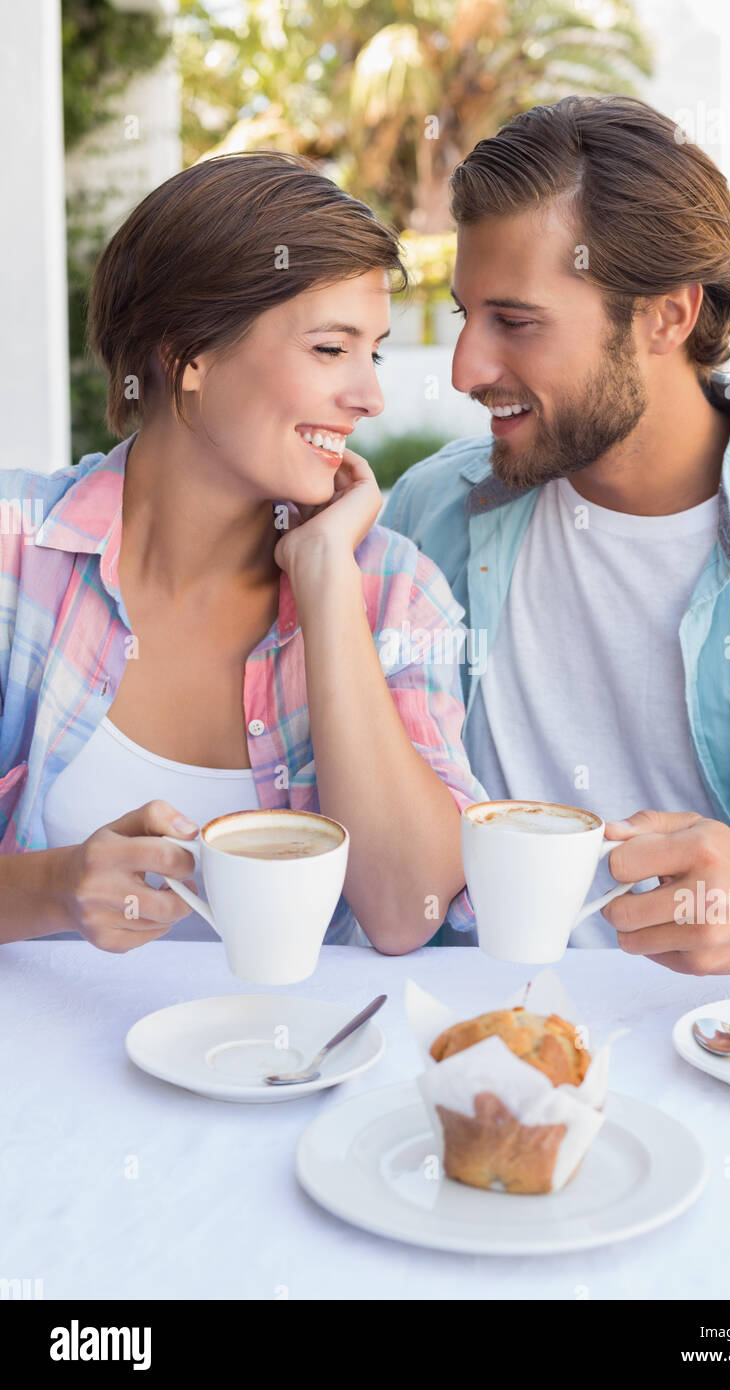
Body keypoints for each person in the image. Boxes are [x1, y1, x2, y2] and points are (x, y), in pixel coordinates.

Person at [384, 94, 730, 976]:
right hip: (481, 1034)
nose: (466, 370)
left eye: (516, 322)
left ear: (667, 317)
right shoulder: (426, 516)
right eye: (465, 317)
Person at [0, 152, 484, 955]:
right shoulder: (17, 554)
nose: (369, 397)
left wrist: (327, 582)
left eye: (376, 353)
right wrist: (51, 887)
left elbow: (408, 909)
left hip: (302, 1074)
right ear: (191, 354)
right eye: (332, 349)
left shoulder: (394, 589)